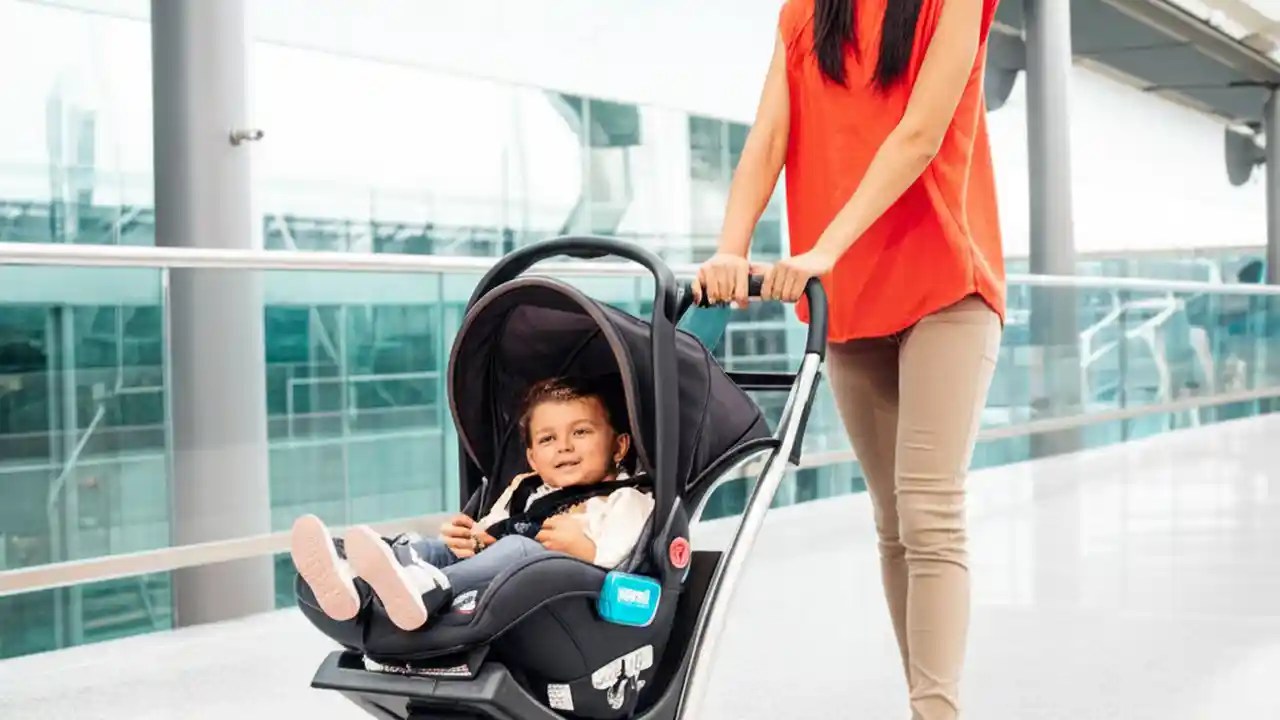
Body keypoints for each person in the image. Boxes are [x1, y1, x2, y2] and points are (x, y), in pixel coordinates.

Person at [692, 1, 1005, 718]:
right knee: (893, 521)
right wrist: (730, 245)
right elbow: (771, 132)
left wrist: (827, 245)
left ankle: (937, 711)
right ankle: (924, 701)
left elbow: (920, 133)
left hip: (946, 282)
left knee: (930, 512)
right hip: (848, 300)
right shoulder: (806, 10)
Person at [290, 376, 655, 632]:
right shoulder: (526, 490)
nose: (564, 446)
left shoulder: (627, 499)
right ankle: (357, 578)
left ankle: (423, 586)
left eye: (580, 432)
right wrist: (471, 539)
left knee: (520, 549)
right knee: (433, 546)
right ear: (531, 458)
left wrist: (586, 550)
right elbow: (490, 539)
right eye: (548, 439)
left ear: (620, 447)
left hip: (562, 597)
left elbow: (628, 566)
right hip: (490, 577)